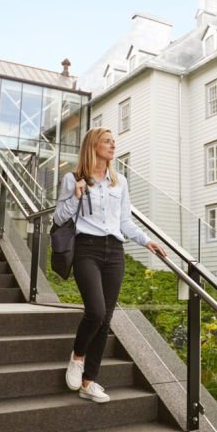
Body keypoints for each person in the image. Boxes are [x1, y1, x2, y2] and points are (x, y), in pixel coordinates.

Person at [53, 127, 167, 403]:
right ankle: (77, 356)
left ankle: (89, 382)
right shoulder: (73, 179)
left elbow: (125, 221)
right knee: (96, 310)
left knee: (105, 320)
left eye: (114, 142)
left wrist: (146, 241)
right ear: (93, 145)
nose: (112, 145)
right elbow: (58, 218)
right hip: (86, 249)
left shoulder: (120, 182)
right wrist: (76, 197)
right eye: (107, 141)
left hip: (114, 252)